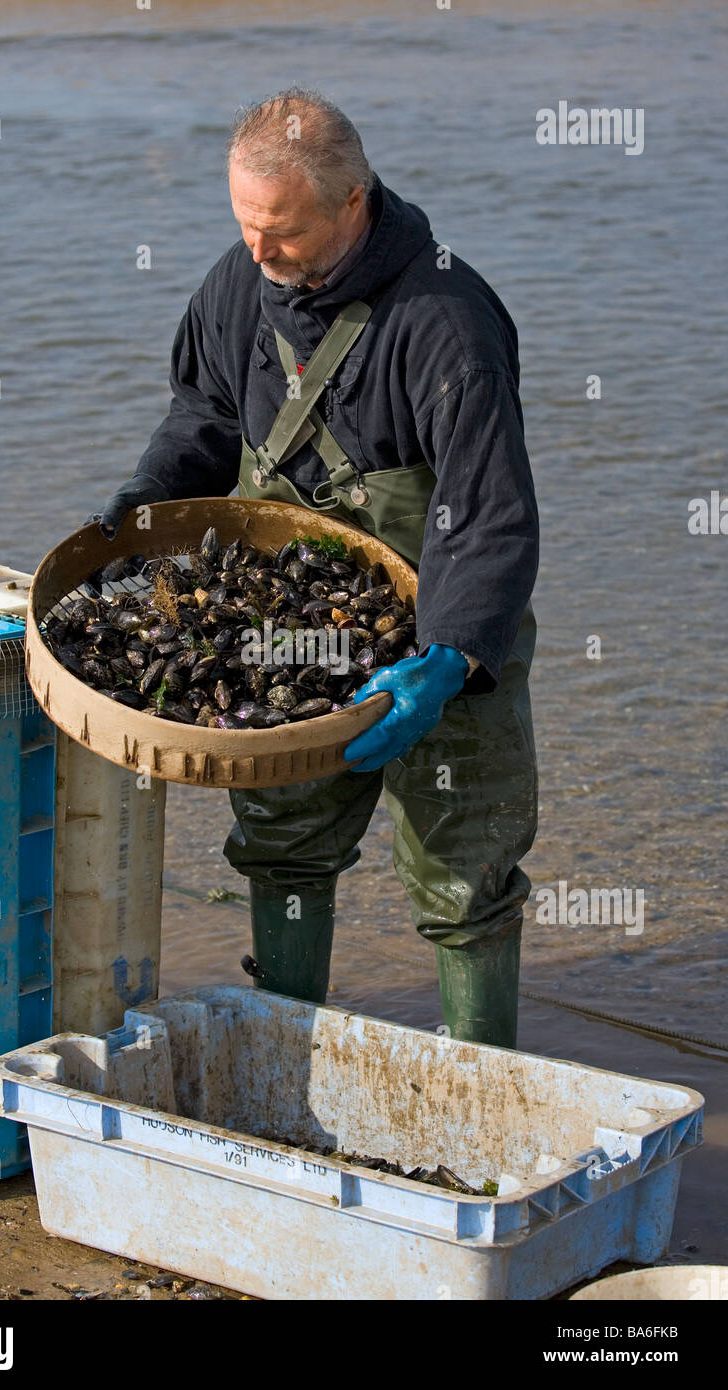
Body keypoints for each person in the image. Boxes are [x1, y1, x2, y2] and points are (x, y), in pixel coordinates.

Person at [94, 89, 539, 1047]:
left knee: (467, 876)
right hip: (285, 640)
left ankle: (483, 1083)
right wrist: (146, 499)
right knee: (284, 847)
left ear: (353, 203)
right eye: (246, 225)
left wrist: (450, 660)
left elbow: (492, 515)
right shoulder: (238, 283)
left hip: (437, 639)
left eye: (283, 231)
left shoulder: (448, 324)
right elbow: (206, 418)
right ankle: (283, 1060)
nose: (260, 253)